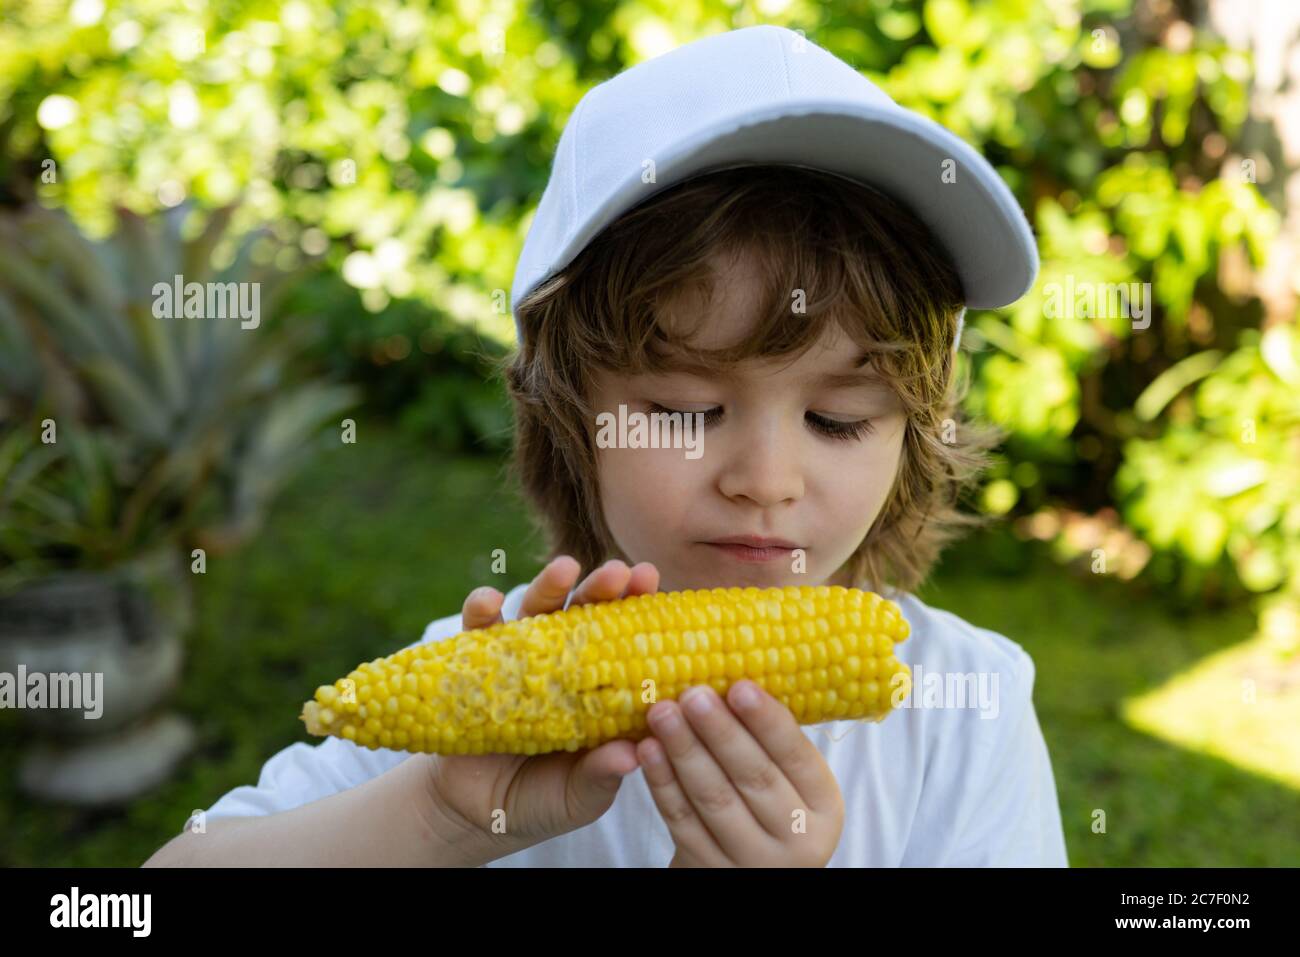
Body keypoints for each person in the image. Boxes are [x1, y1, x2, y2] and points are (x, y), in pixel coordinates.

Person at [145, 24, 1067, 867]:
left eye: (838, 419)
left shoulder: (964, 713)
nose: (766, 481)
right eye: (681, 410)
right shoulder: (477, 703)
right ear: (569, 421)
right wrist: (439, 817)